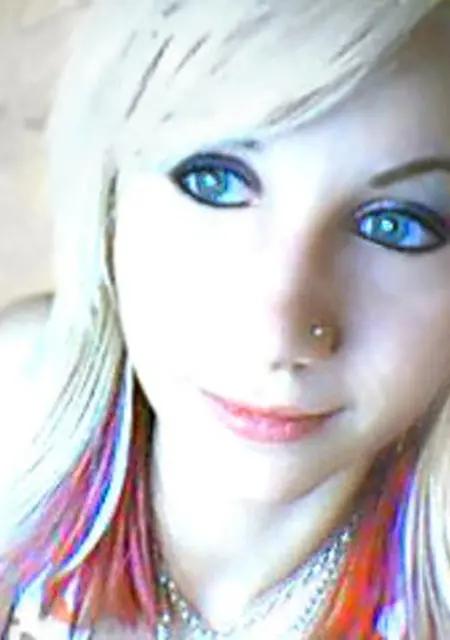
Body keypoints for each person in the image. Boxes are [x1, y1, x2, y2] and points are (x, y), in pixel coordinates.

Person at [1, 0, 450, 637]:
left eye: (395, 226)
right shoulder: (15, 407)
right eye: (215, 182)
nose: (276, 336)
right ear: (110, 195)